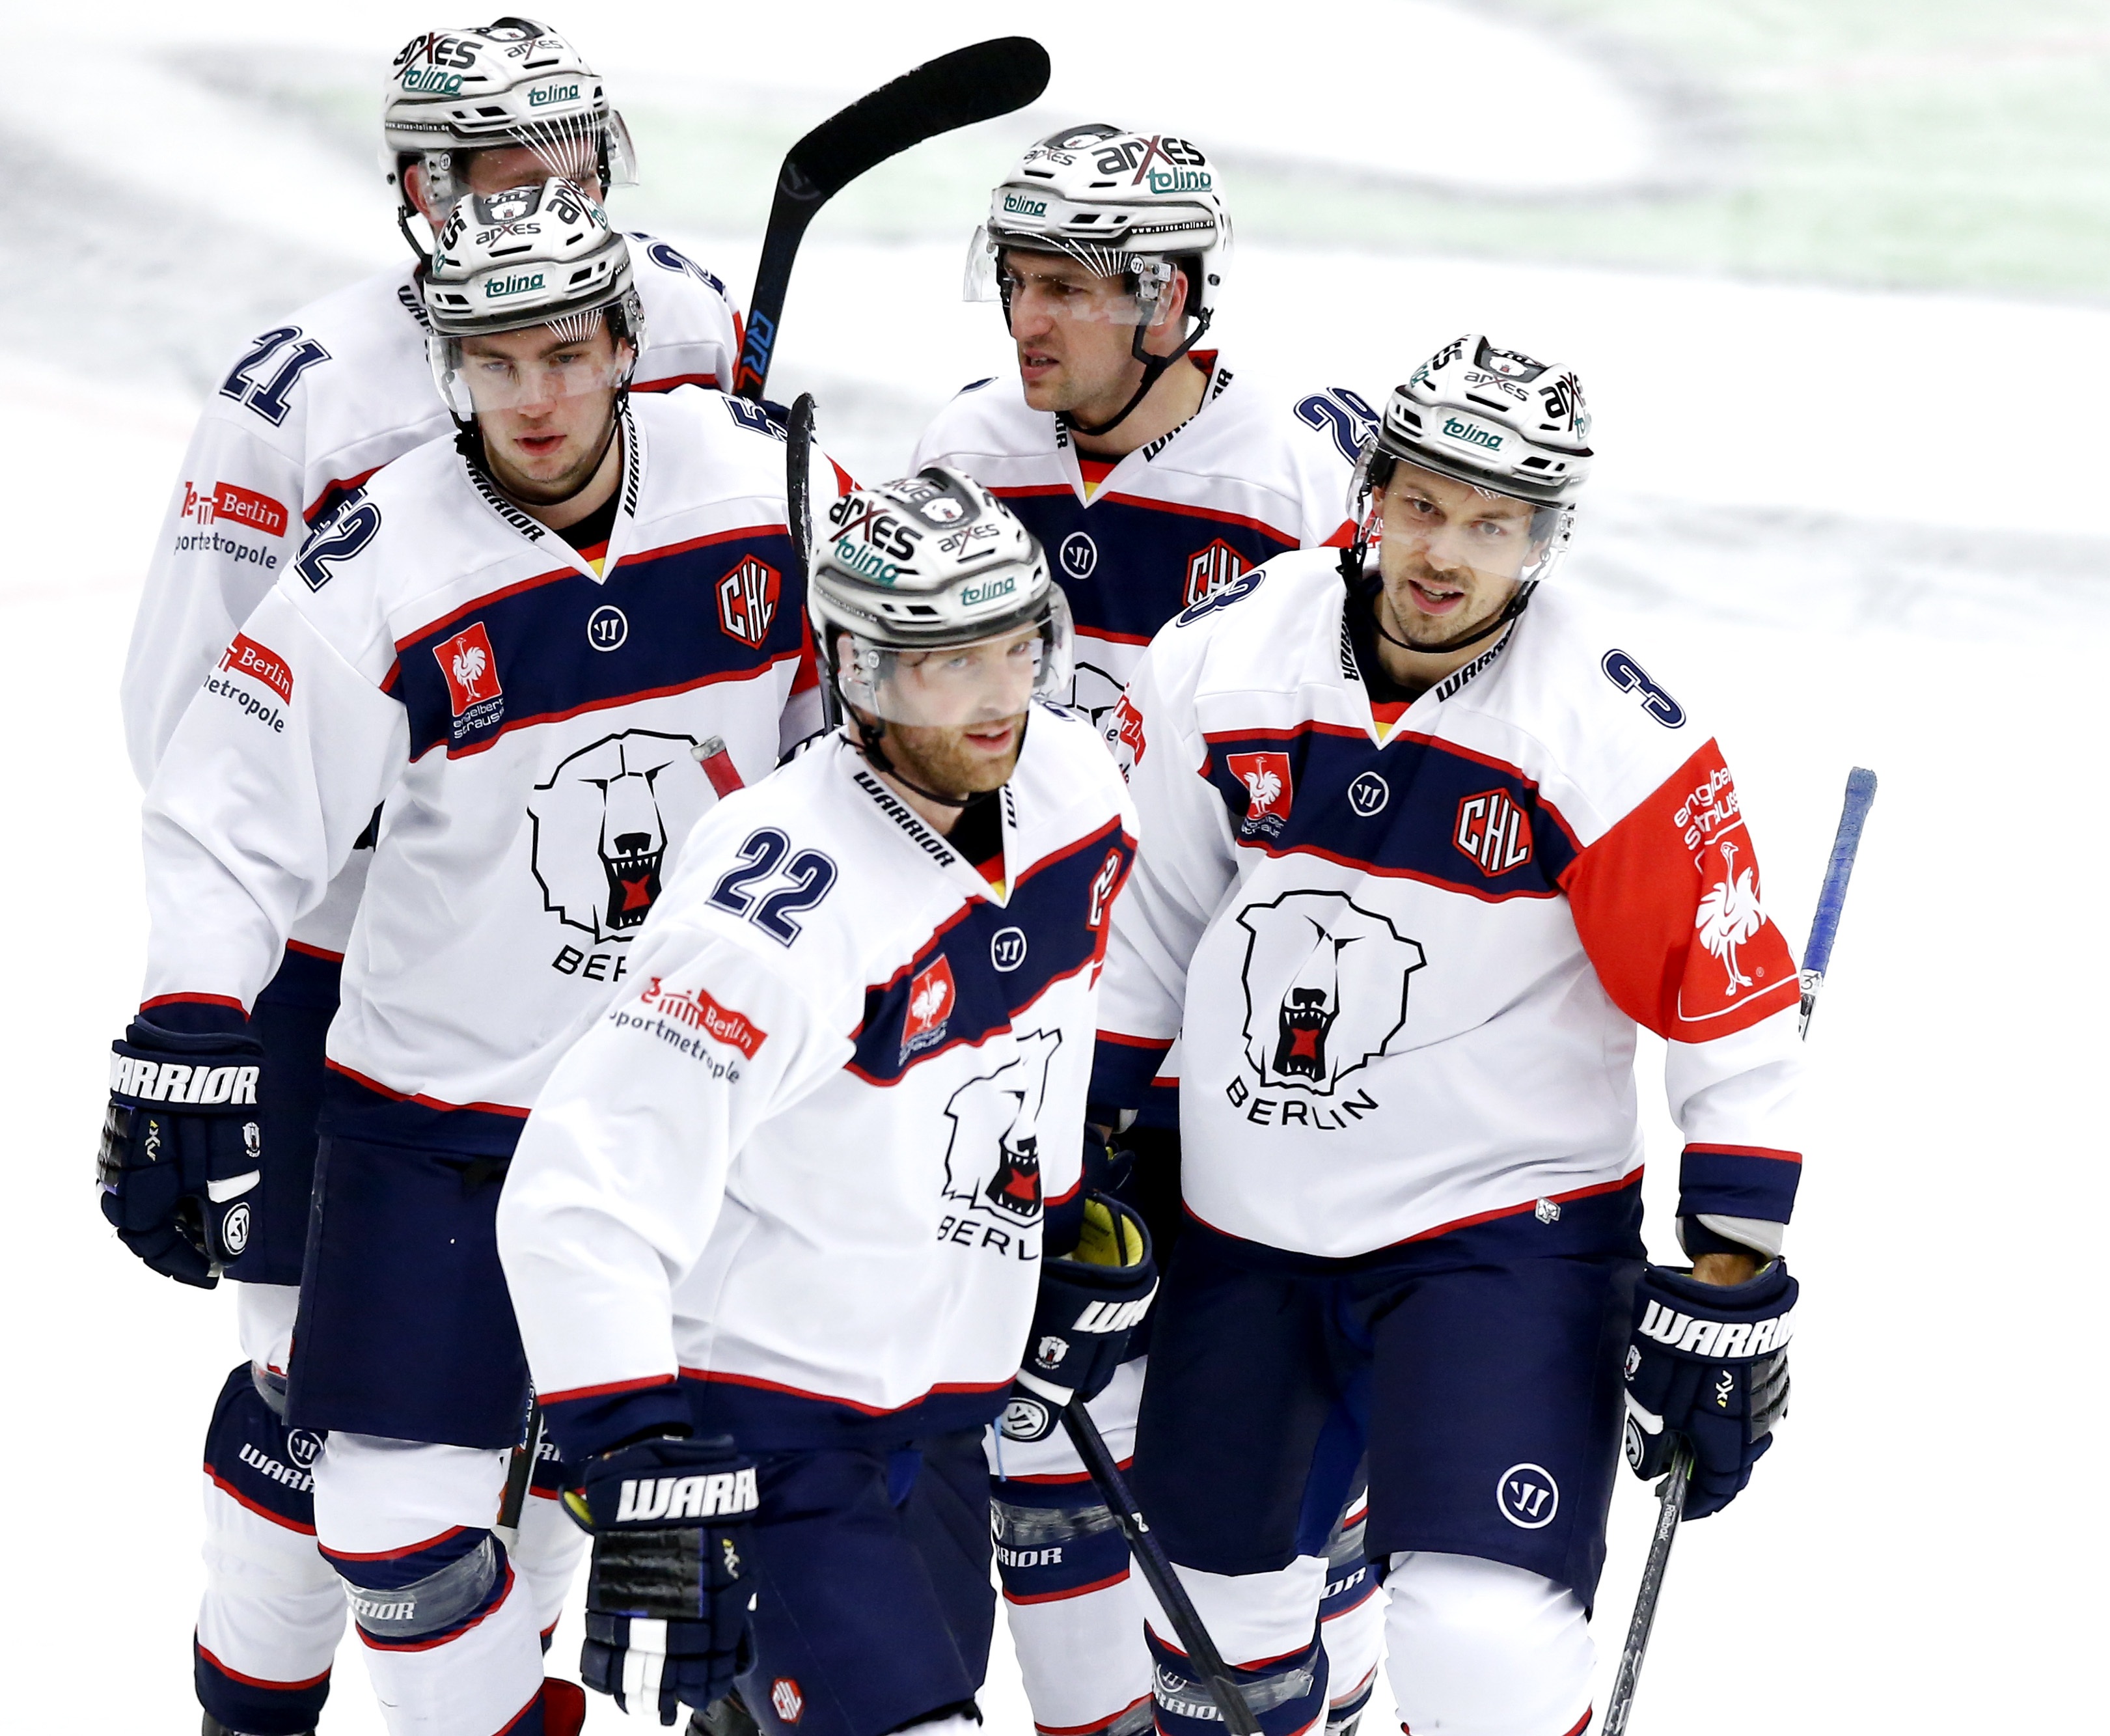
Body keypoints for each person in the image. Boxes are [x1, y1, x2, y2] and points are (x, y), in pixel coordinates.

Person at [99, 181, 819, 1736]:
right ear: (450, 370)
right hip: (442, 1116)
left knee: (749, 1544)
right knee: (387, 1531)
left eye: (566, 349)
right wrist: (189, 1006)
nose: (536, 394)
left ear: (628, 344)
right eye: (495, 359)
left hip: (700, 1113)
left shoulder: (778, 493)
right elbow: (232, 797)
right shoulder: (382, 561)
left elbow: (887, 756)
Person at [1089, 335, 1805, 1736]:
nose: (1445, 554)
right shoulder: (1224, 655)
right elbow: (1147, 918)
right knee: (1210, 1633)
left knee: (1479, 1636)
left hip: (1499, 1235)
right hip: (1246, 1223)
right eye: (1422, 504)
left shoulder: (1602, 724)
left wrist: (1733, 1266)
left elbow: (1727, 990)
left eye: (1496, 523)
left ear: (1545, 538)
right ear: (1369, 490)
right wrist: (1084, 1156)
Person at [497, 465, 1148, 1736]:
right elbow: (580, 1191)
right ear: (856, 672)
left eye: (1015, 647)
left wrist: (1056, 1209)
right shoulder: (770, 906)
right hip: (767, 1424)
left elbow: (1040, 1031)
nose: (995, 696)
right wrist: (634, 1459)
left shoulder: (1078, 791)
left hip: (945, 1403)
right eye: (941, 663)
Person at [917, 124, 1383, 1736]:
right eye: (1016, 282)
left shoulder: (1295, 482)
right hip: (1020, 1009)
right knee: (1036, 1428)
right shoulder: (971, 450)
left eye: (1066, 290)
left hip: (1226, 1025)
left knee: (1248, 1430)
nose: (1025, 320)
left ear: (1170, 297)